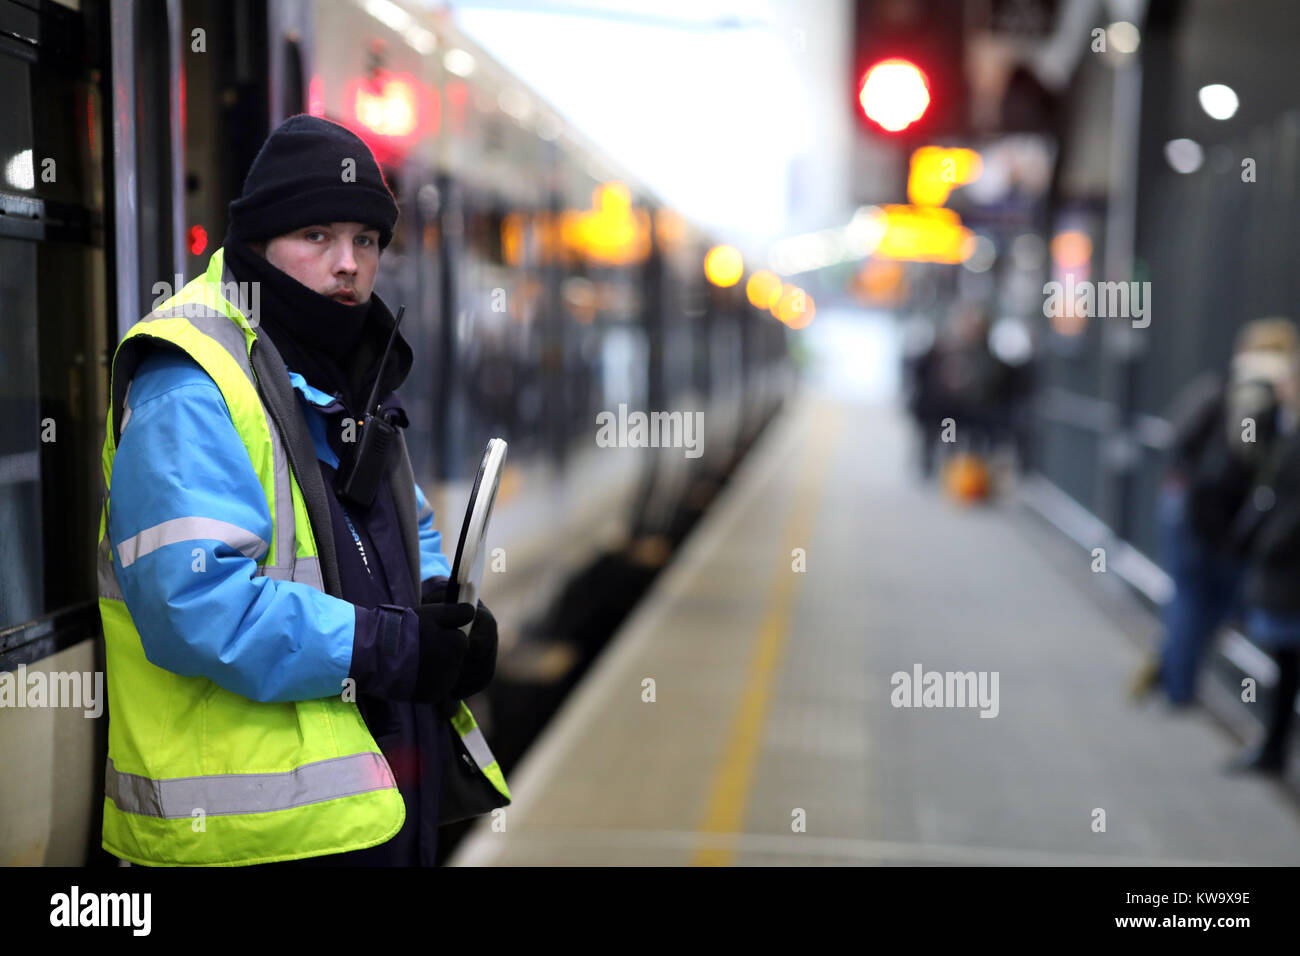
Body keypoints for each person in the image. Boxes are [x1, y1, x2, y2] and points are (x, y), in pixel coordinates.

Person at [95, 115, 507, 866]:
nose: (347, 265)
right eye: (316, 235)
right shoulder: (190, 380)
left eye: (367, 240)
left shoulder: (350, 365)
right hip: (249, 835)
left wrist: (443, 602)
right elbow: (195, 603)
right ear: (257, 245)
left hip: (358, 812)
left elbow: (402, 529)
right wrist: (388, 645)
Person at [1131, 319, 1295, 708]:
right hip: (1225, 513)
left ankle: (1175, 679)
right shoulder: (1272, 395)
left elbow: (1181, 435)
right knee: (1213, 599)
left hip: (1186, 501)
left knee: (1188, 594)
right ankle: (1179, 680)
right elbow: (1252, 454)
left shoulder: (1224, 381)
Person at [1229, 321, 1300, 774]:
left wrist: (1269, 542)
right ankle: (1272, 747)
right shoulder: (1282, 423)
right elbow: (1246, 440)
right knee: (1283, 663)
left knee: (1286, 662)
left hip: (1288, 561)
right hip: (1282, 560)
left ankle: (1273, 749)